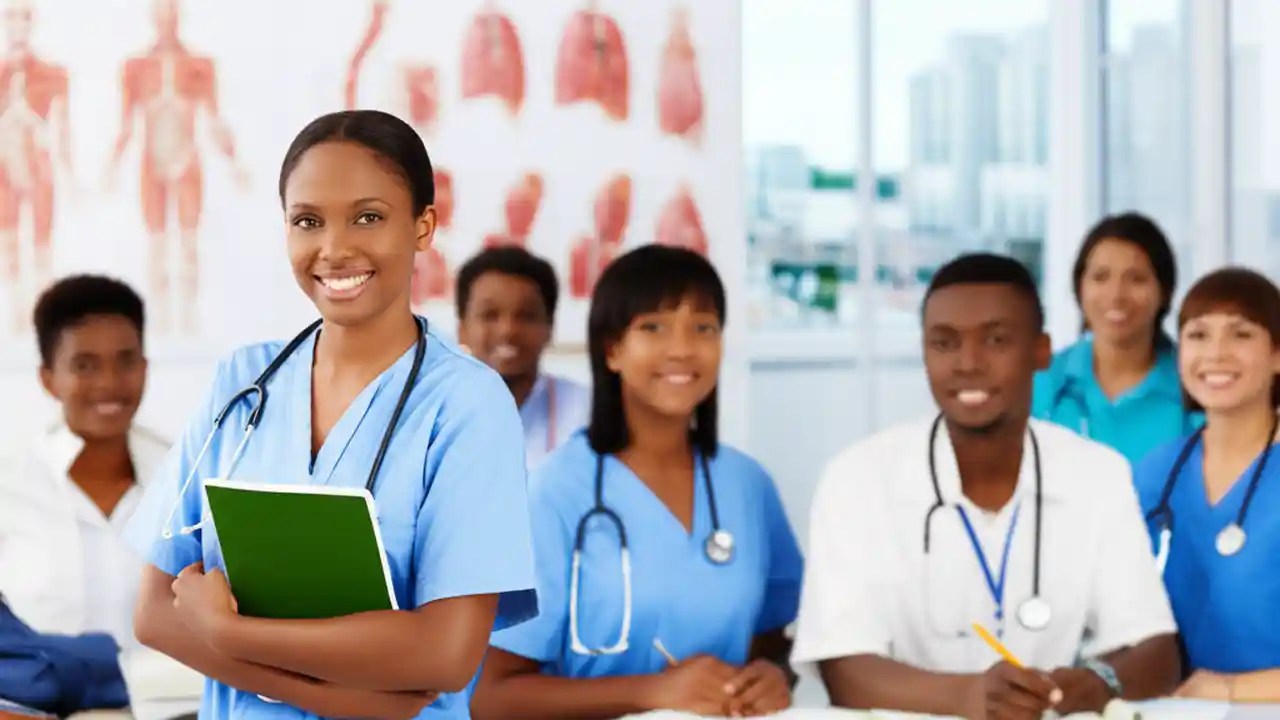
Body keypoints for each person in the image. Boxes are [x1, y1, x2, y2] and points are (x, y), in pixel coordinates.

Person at [122, 109, 538, 720]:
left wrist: (229, 632)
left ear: (423, 227)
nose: (334, 249)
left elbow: (446, 656)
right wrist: (360, 699)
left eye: (368, 217)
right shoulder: (243, 382)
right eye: (307, 221)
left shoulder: (467, 404)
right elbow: (156, 613)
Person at [791, 253, 1180, 720]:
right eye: (944, 343)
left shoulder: (1097, 475)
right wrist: (968, 697)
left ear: (1041, 351)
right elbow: (844, 667)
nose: (968, 363)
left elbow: (1155, 650)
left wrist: (1099, 682)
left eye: (997, 340)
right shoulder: (857, 479)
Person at [472, 245, 804, 719]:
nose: (683, 348)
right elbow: (490, 696)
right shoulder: (554, 494)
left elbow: (772, 642)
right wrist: (652, 692)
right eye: (654, 327)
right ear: (612, 350)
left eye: (703, 328)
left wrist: (774, 675)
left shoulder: (747, 485)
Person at [0, 276, 166, 684]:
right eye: (84, 365)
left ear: (145, 367)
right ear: (48, 378)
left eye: (126, 360)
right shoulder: (11, 486)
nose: (109, 383)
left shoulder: (184, 479)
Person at [1133, 268, 1280, 703]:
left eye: (1241, 334)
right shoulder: (1157, 471)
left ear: (1277, 355)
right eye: (1198, 335)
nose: (1216, 353)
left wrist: (1231, 689)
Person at [1033, 212, 1197, 465]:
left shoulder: (1195, 387)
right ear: (1079, 288)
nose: (1116, 295)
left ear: (1164, 291)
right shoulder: (1042, 382)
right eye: (1100, 277)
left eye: (1136, 279)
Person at [455, 246, 590, 467]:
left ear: (550, 328)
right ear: (462, 328)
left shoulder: (586, 413)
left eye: (526, 316)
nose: (508, 330)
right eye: (490, 315)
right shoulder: (428, 418)